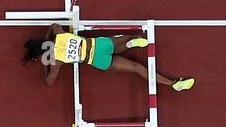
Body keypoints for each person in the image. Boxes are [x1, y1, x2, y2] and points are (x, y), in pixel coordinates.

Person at [23, 23, 195, 91]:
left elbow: (49, 81)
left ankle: (174, 84)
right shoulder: (58, 34)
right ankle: (131, 42)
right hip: (98, 45)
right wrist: (46, 42)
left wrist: (43, 62)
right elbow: (53, 26)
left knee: (137, 68)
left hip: (97, 60)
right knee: (124, 40)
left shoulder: (55, 61)